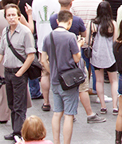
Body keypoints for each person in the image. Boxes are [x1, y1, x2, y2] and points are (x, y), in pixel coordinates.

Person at [0, 3, 35, 141]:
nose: (11, 18)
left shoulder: (25, 32)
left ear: (19, 16)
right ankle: (16, 130)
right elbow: (0, 52)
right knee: (12, 103)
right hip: (7, 72)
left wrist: (20, 72)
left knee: (19, 104)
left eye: (13, 15)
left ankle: (19, 132)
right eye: (8, 15)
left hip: (18, 72)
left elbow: (31, 55)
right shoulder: (5, 31)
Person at [41, 10, 83, 144]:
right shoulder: (70, 36)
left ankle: (56, 141)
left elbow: (43, 60)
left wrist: (52, 71)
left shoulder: (48, 37)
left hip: (55, 80)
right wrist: (79, 46)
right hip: (68, 81)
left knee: (57, 112)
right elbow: (77, 58)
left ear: (58, 21)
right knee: (69, 115)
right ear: (69, 22)